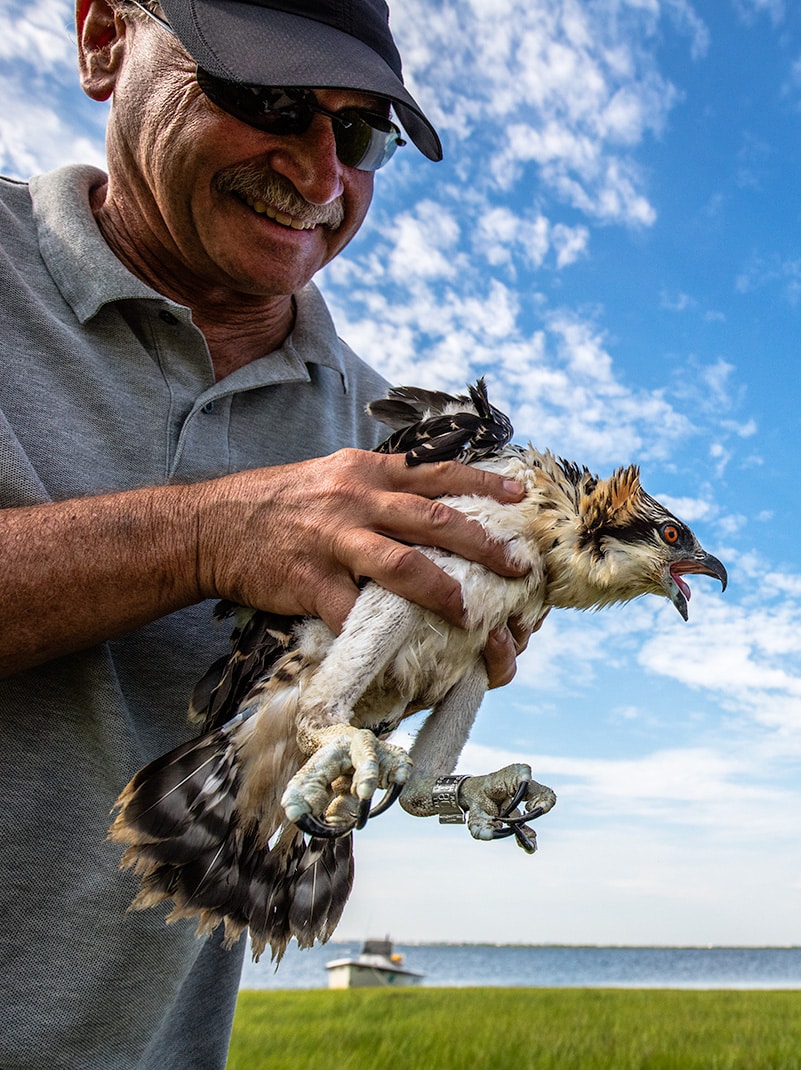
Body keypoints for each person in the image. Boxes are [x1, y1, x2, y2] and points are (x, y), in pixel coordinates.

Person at [0, 2, 534, 1066]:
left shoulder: (398, 444)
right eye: (271, 99)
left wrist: (441, 652)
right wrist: (211, 537)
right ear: (106, 37)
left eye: (365, 131)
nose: (323, 174)